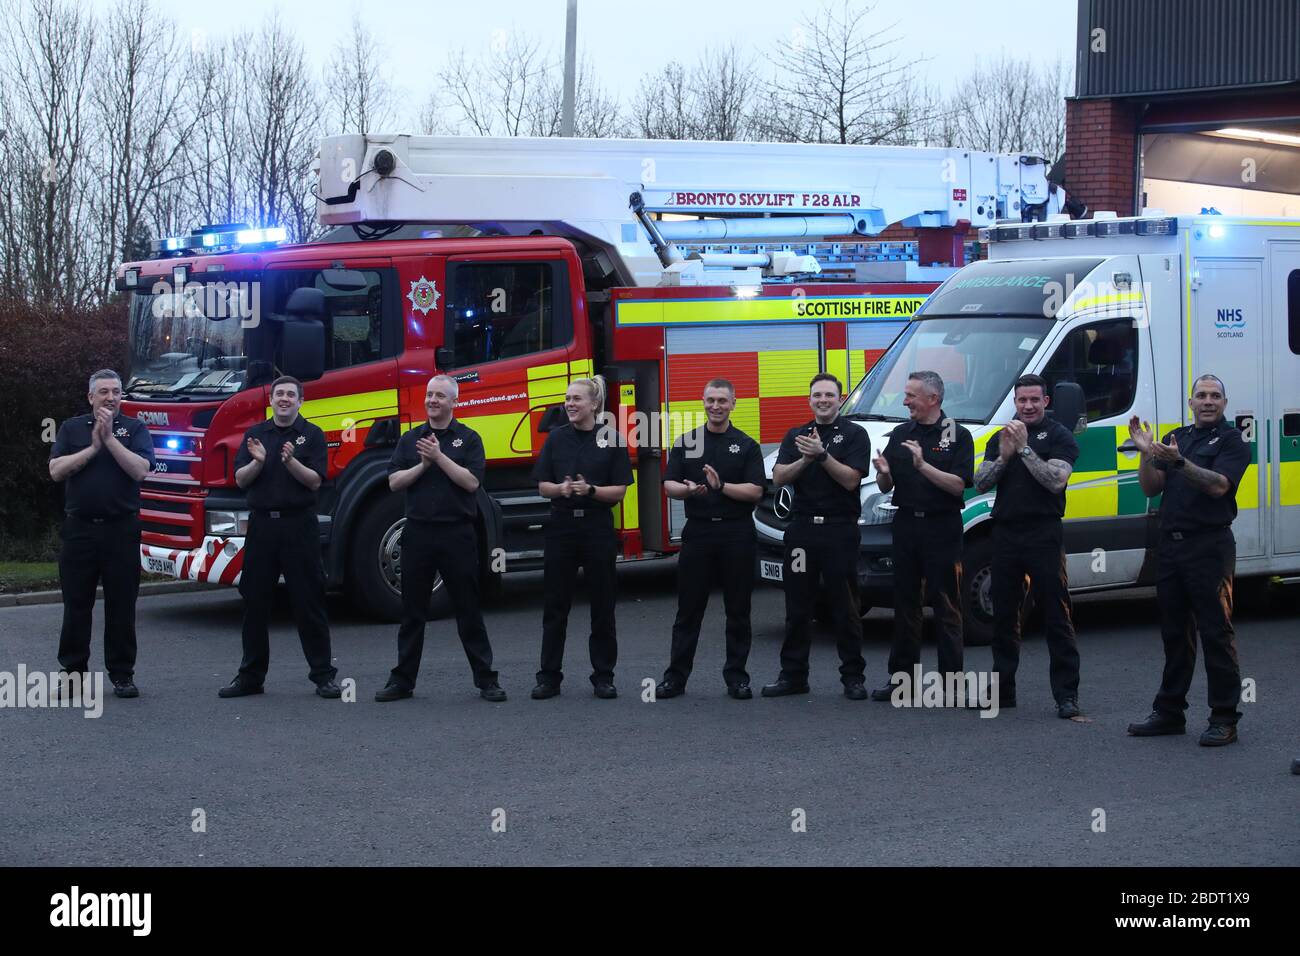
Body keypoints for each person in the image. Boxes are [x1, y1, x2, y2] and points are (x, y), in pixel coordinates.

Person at [1126, 374, 1250, 746]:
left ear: (1224, 404)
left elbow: (1218, 485)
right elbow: (1151, 487)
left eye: (1215, 396)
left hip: (1209, 546)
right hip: (1172, 547)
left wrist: (1179, 462)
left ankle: (1224, 717)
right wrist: (1148, 454)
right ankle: (1169, 712)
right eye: (1201, 396)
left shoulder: (1232, 441)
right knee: (1174, 633)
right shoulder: (1178, 436)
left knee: (1215, 632)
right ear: (1190, 402)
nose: (1208, 401)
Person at [374, 375, 505, 702]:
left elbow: (472, 483)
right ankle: (402, 681)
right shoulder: (411, 439)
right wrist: (423, 463)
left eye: (440, 396)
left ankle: (486, 680)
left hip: (456, 534)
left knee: (468, 610)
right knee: (412, 612)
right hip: (417, 532)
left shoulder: (469, 439)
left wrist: (440, 458)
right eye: (429, 395)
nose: (432, 400)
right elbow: (394, 482)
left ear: (453, 402)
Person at [218, 376, 341, 699]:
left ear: (301, 402)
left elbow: (315, 481)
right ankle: (250, 677)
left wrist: (290, 461)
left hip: (299, 526)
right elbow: (242, 480)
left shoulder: (312, 435)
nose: (284, 399)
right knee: (255, 602)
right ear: (270, 401)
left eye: (291, 394)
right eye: (279, 394)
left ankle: (323, 676)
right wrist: (259, 461)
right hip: (262, 527)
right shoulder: (256, 435)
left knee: (309, 602)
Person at [974, 373, 1081, 717]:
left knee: (1056, 615)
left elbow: (1056, 480)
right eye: (1022, 400)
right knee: (1004, 616)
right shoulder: (1000, 437)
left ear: (1046, 402)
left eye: (1035, 400)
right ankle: (1003, 691)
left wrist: (1023, 449)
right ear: (1015, 402)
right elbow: (980, 482)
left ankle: (1066, 695)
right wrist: (1005, 456)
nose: (1028, 406)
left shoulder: (1060, 435)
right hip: (1005, 533)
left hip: (1043, 533)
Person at [762, 373, 871, 699]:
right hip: (802, 532)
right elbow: (779, 477)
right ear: (809, 400)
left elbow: (851, 480)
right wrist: (806, 458)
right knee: (797, 606)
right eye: (817, 395)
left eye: (829, 395)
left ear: (840, 399)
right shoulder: (795, 435)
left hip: (839, 530)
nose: (823, 400)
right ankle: (793, 676)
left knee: (845, 605)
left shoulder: (855, 434)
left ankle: (853, 677)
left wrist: (822, 456)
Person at [655, 379, 765, 700]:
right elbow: (669, 486)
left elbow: (756, 492)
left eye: (722, 400)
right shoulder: (687, 442)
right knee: (688, 611)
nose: (715, 406)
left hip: (736, 534)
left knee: (738, 610)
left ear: (733, 404)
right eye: (710, 400)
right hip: (699, 533)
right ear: (702, 402)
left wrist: (722, 487)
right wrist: (688, 490)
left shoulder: (746, 445)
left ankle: (737, 678)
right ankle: (675, 678)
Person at [48, 369, 155, 699]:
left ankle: (122, 674)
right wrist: (92, 448)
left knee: (122, 605)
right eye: (104, 391)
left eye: (116, 391)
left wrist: (109, 440)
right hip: (79, 531)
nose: (111, 397)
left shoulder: (135, 429)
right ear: (90, 397)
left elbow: (141, 470)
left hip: (120, 530)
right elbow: (56, 471)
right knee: (76, 604)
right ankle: (73, 675)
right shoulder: (70, 428)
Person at [870, 371, 974, 702]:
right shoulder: (901, 433)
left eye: (911, 396)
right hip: (906, 526)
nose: (905, 402)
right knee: (905, 605)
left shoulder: (958, 435)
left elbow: (958, 485)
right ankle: (902, 680)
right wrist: (884, 475)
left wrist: (922, 465)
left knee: (946, 605)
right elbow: (888, 485)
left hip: (941, 526)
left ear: (933, 398)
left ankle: (952, 684)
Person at [531, 376, 633, 699]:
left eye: (576, 399)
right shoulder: (556, 439)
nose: (570, 404)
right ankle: (549, 678)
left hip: (596, 528)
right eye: (568, 398)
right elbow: (542, 486)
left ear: (594, 405)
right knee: (555, 605)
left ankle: (603, 676)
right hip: (561, 527)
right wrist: (560, 490)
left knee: (603, 605)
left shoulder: (613, 440)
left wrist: (590, 490)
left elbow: (619, 491)